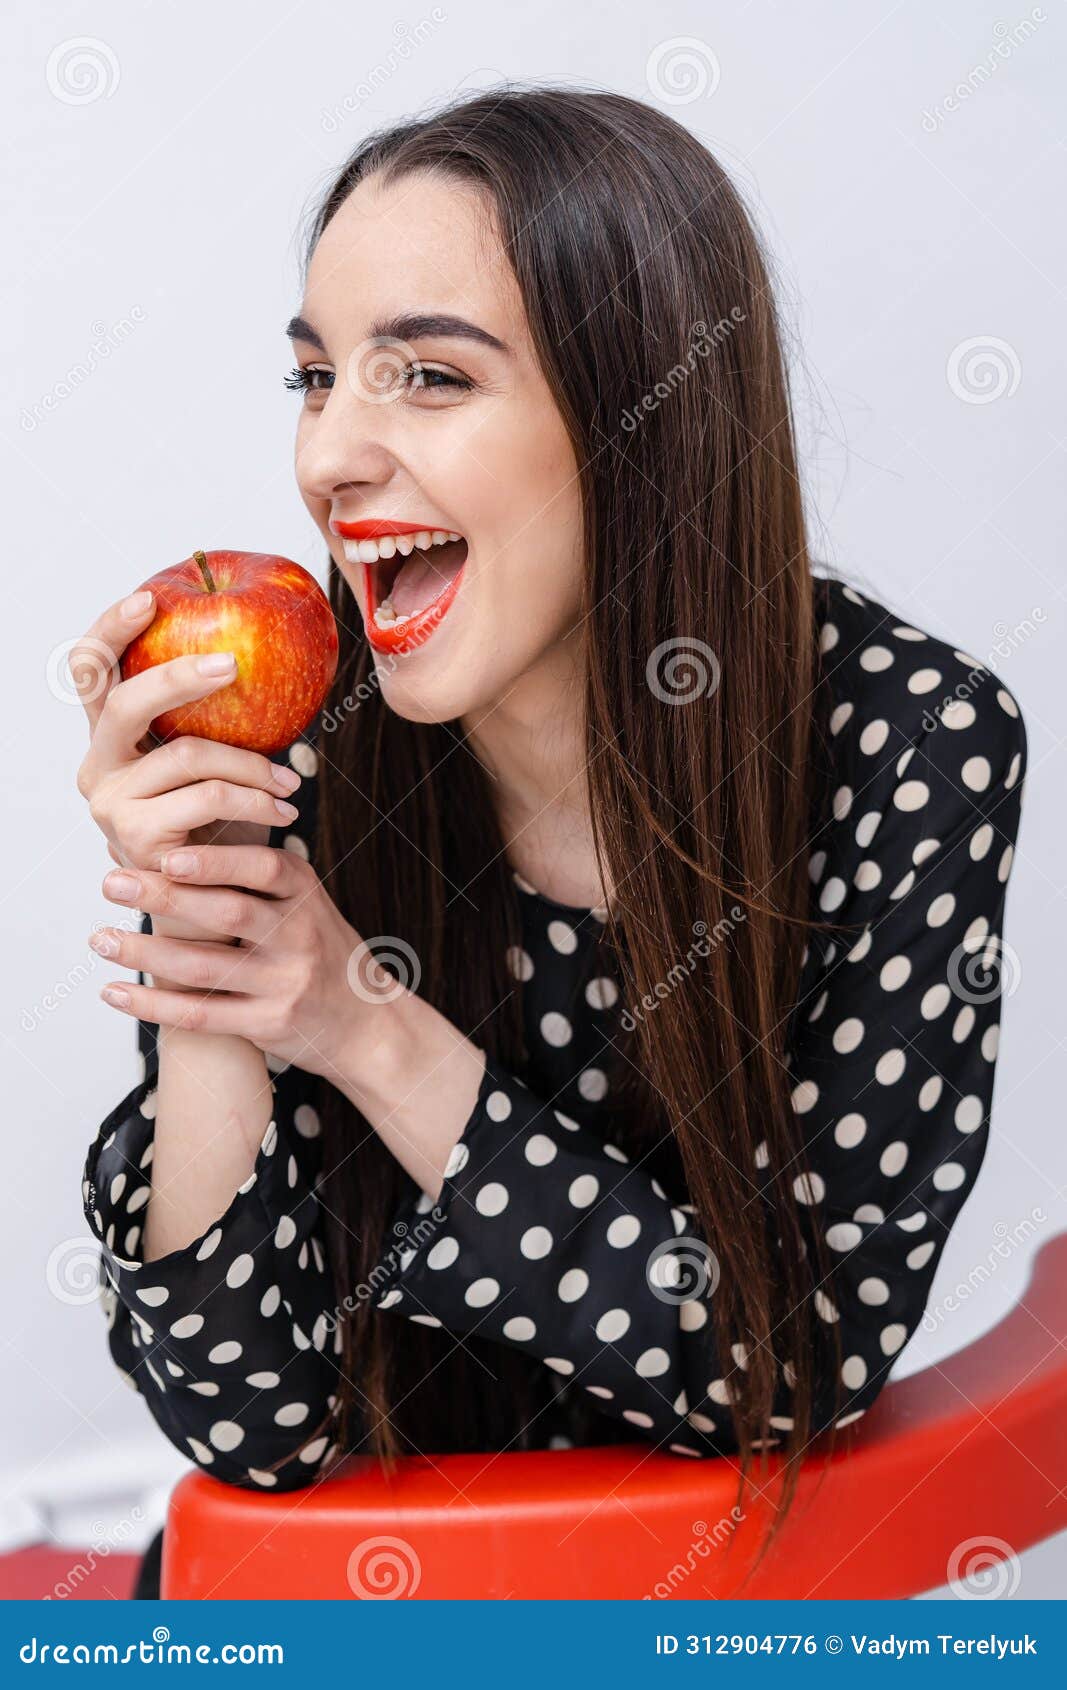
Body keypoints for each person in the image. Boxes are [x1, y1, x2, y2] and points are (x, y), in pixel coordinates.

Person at [73, 88, 1026, 1595]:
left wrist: (362, 1024)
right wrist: (203, 937)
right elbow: (248, 1425)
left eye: (429, 377)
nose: (328, 457)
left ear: (643, 414)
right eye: (315, 379)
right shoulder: (298, 738)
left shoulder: (909, 744)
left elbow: (789, 1365)